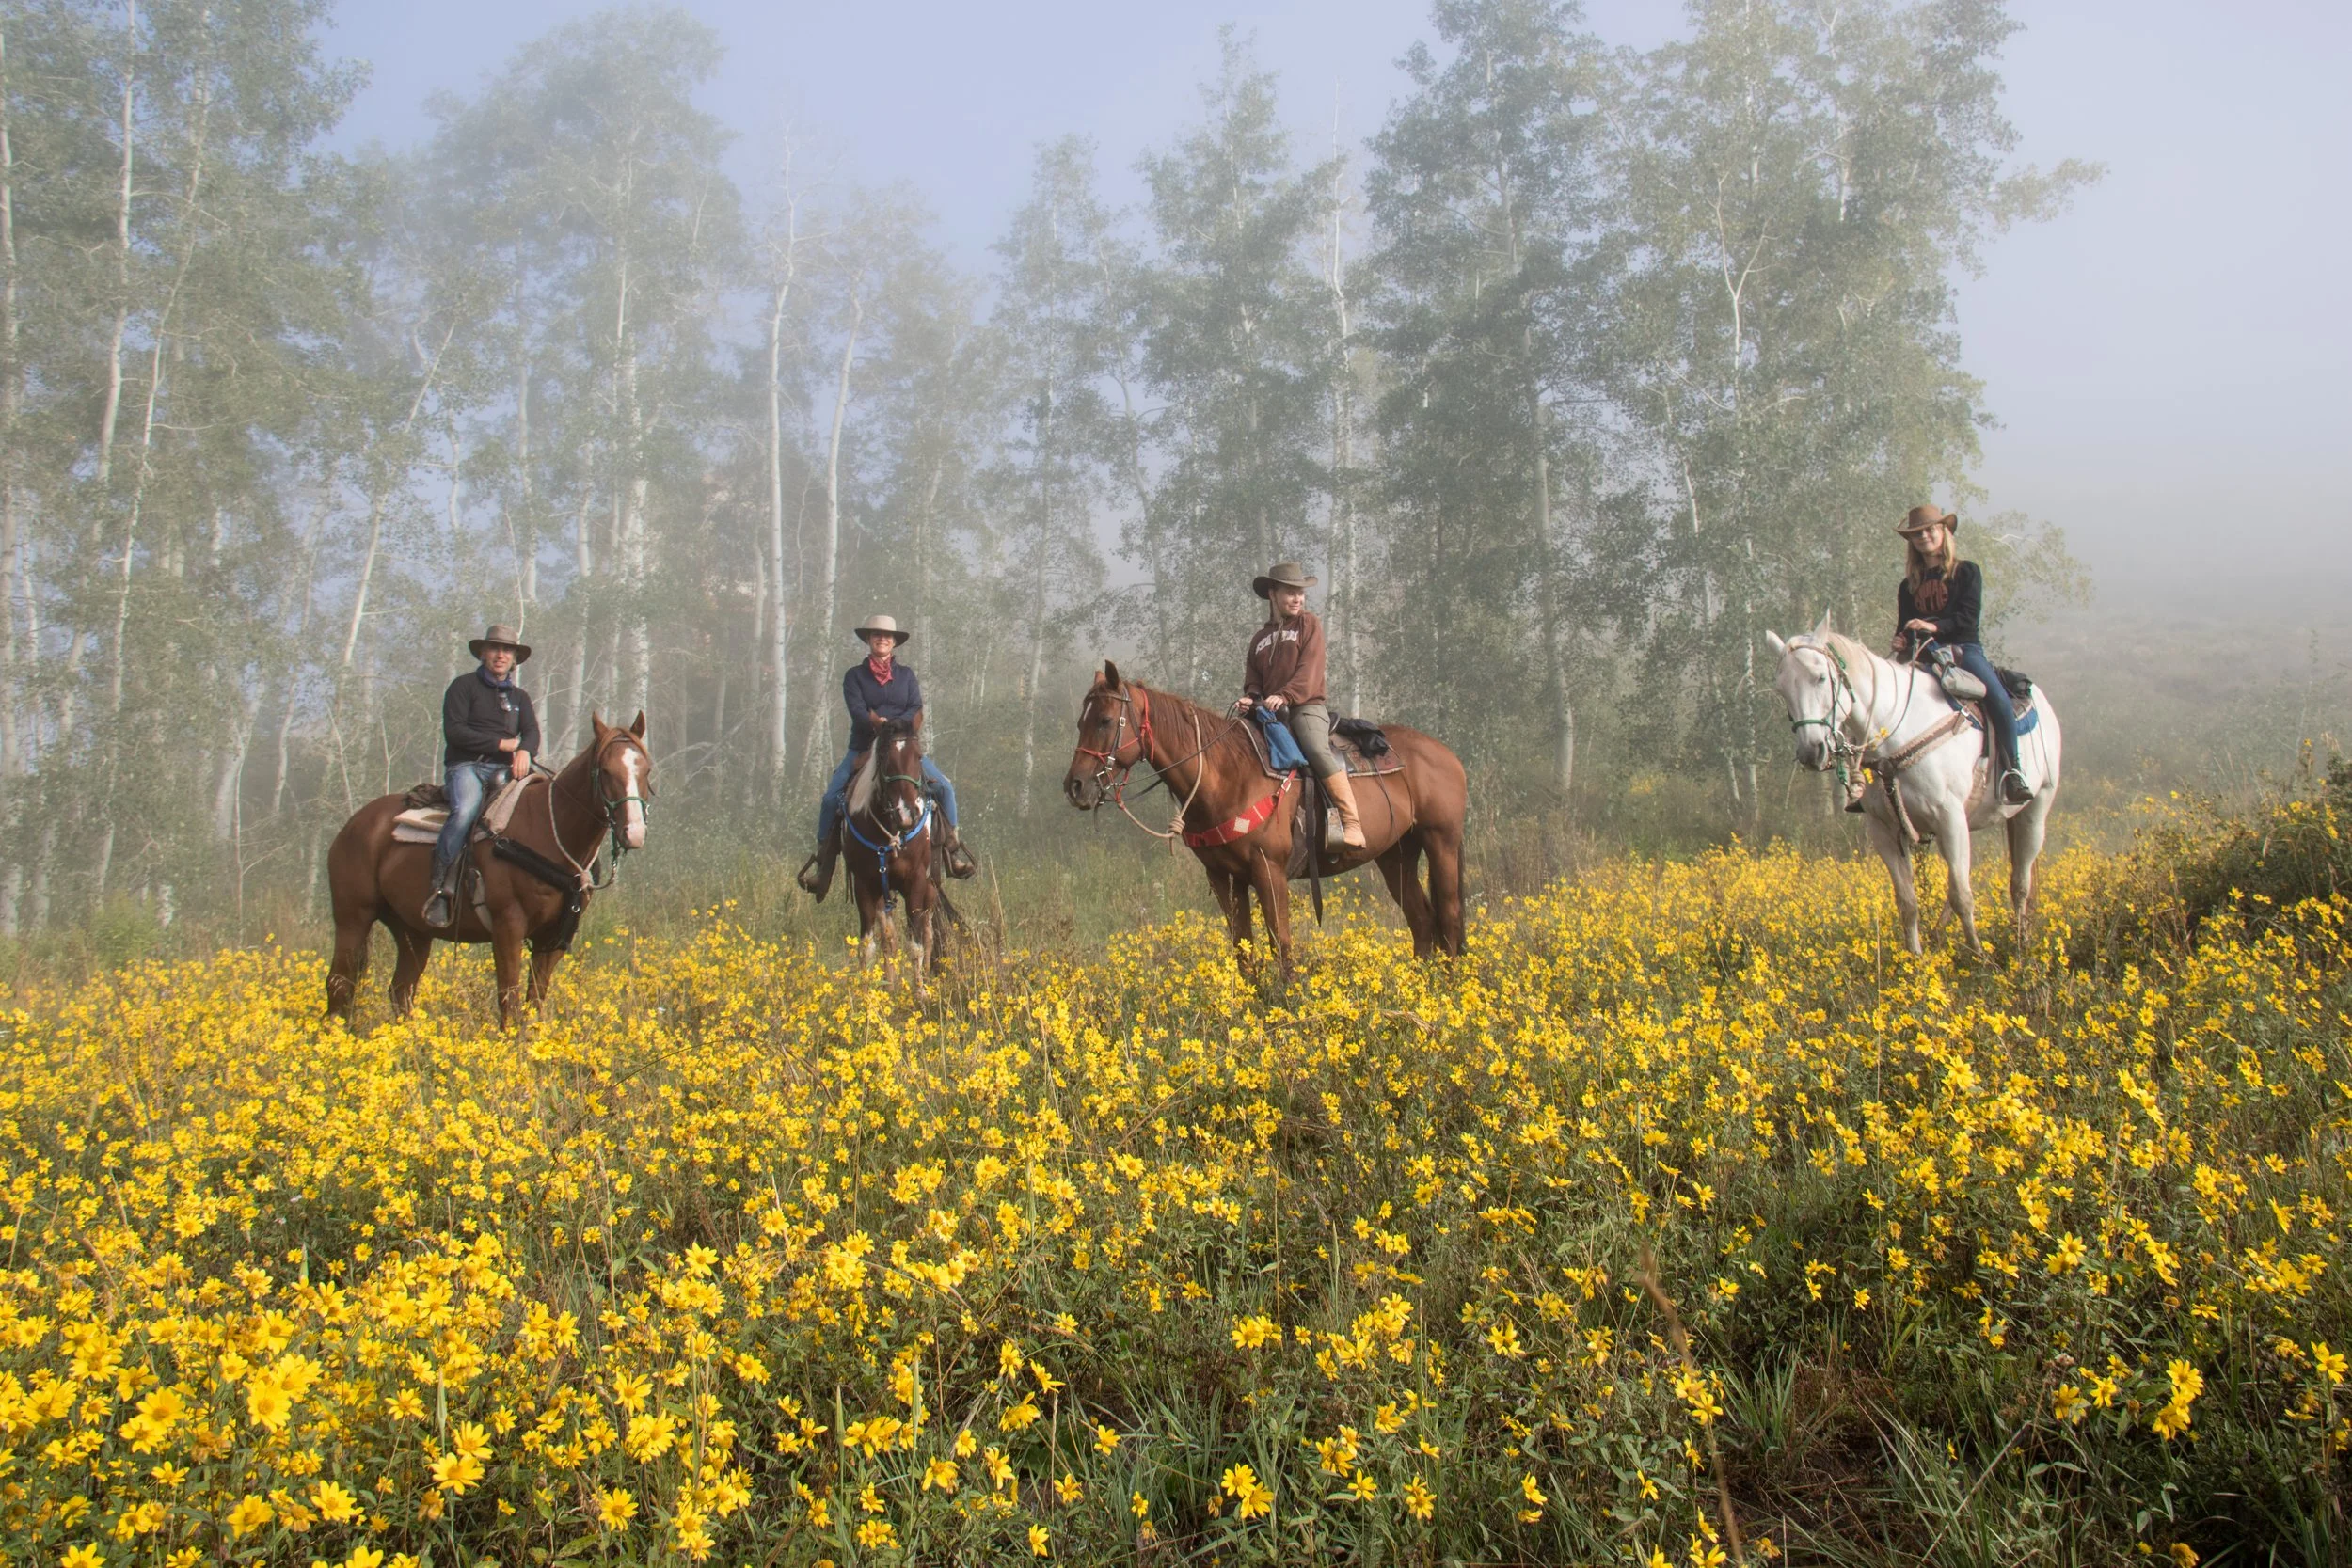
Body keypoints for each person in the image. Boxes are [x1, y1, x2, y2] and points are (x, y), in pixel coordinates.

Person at [796, 613, 976, 899]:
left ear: (894, 642)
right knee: (831, 798)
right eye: (877, 635)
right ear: (869, 640)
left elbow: (915, 706)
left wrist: (894, 726)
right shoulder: (854, 676)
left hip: (902, 747)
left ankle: (951, 851)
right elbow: (857, 709)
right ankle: (823, 865)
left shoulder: (907, 676)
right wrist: (877, 724)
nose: (882, 639)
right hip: (864, 747)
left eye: (887, 636)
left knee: (944, 787)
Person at [1890, 504, 2031, 807]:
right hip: (1923, 657)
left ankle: (2013, 771)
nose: (1924, 536)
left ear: (1944, 532)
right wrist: (1901, 639)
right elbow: (1904, 627)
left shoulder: (1966, 572)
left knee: (1997, 699)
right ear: (1912, 542)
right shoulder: (1908, 586)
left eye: (1930, 530)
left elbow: (1967, 619)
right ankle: (1872, 780)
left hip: (1964, 651)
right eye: (1917, 534)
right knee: (1881, 697)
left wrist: (1933, 626)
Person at [1237, 562, 1366, 849]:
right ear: (1273, 595)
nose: (1297, 599)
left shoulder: (1309, 624)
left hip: (1305, 707)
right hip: (1269, 711)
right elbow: (1253, 679)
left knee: (1316, 748)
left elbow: (1310, 670)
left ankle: (1351, 822)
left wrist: (1285, 695)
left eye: (1300, 593)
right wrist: (1252, 697)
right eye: (1290, 593)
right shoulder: (1259, 638)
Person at [424, 624, 540, 927]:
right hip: (466, 767)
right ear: (483, 654)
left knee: (540, 807)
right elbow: (455, 731)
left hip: (506, 770)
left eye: (507, 650)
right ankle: (441, 888)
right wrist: (500, 744)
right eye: (495, 649)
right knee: (465, 812)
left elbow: (531, 731)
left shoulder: (520, 697)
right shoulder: (463, 687)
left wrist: (526, 751)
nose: (501, 655)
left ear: (514, 659)